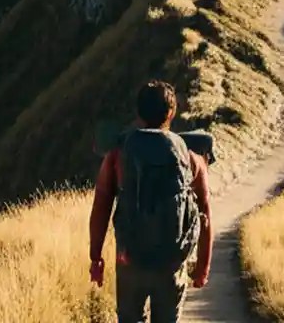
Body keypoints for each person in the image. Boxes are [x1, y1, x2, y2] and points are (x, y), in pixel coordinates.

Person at [90, 81, 213, 322]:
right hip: (171, 263)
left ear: (138, 113)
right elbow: (205, 213)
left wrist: (96, 257)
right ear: (171, 113)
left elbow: (101, 208)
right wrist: (203, 265)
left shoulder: (118, 155)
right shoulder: (190, 158)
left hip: (129, 259)